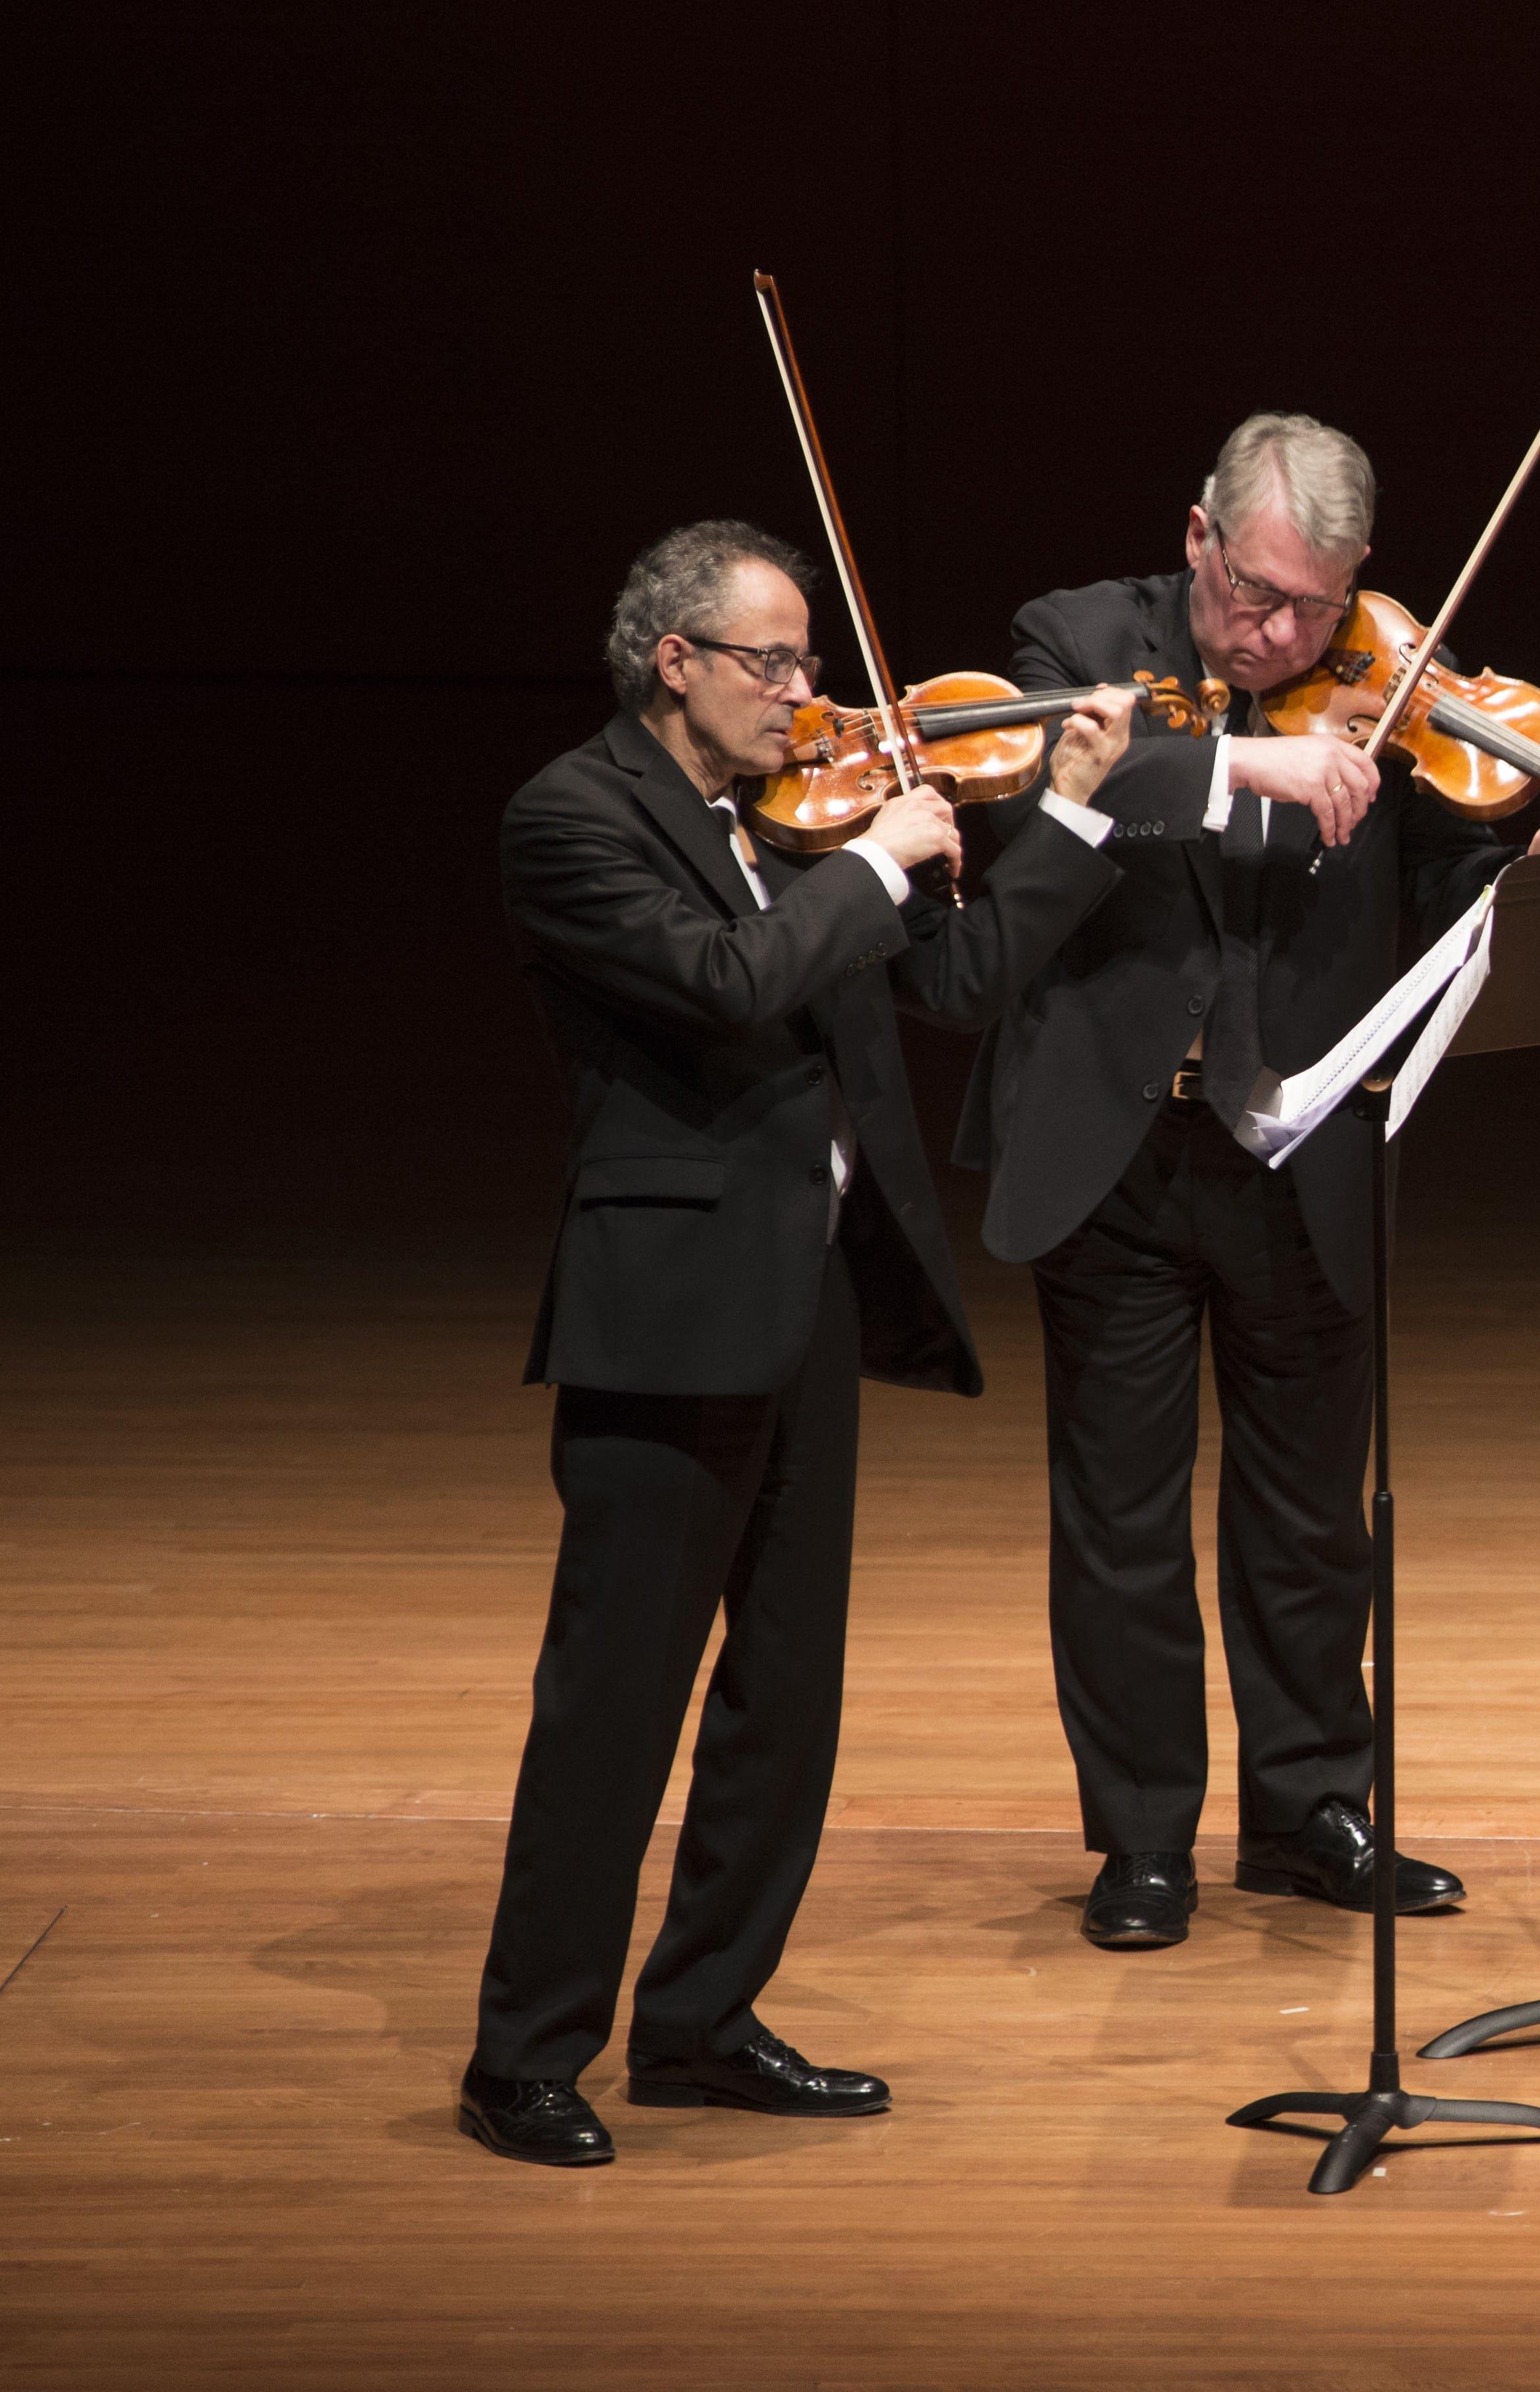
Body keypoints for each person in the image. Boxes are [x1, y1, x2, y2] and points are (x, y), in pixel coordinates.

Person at [463, 521, 1142, 2166]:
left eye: (809, 663)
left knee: (786, 1694)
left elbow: (963, 978)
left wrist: (1064, 808)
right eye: (771, 663)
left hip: (813, 1294)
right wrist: (874, 863)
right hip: (667, 1310)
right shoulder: (573, 817)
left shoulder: (804, 812)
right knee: (616, 1700)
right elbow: (724, 977)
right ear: (673, 661)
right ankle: (525, 2055)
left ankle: (701, 2022)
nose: (805, 695)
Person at [962, 413, 1540, 1952]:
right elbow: (1039, 799)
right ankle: (1144, 1838)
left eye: (1315, 609)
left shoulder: (1392, 683)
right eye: (1255, 594)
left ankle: (1310, 1811)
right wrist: (1237, 762)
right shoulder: (1076, 640)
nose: (1280, 635)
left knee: (1310, 1514)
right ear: (1197, 536)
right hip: (1118, 1149)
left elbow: (1451, 896)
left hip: (1302, 1141)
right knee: (1120, 1518)